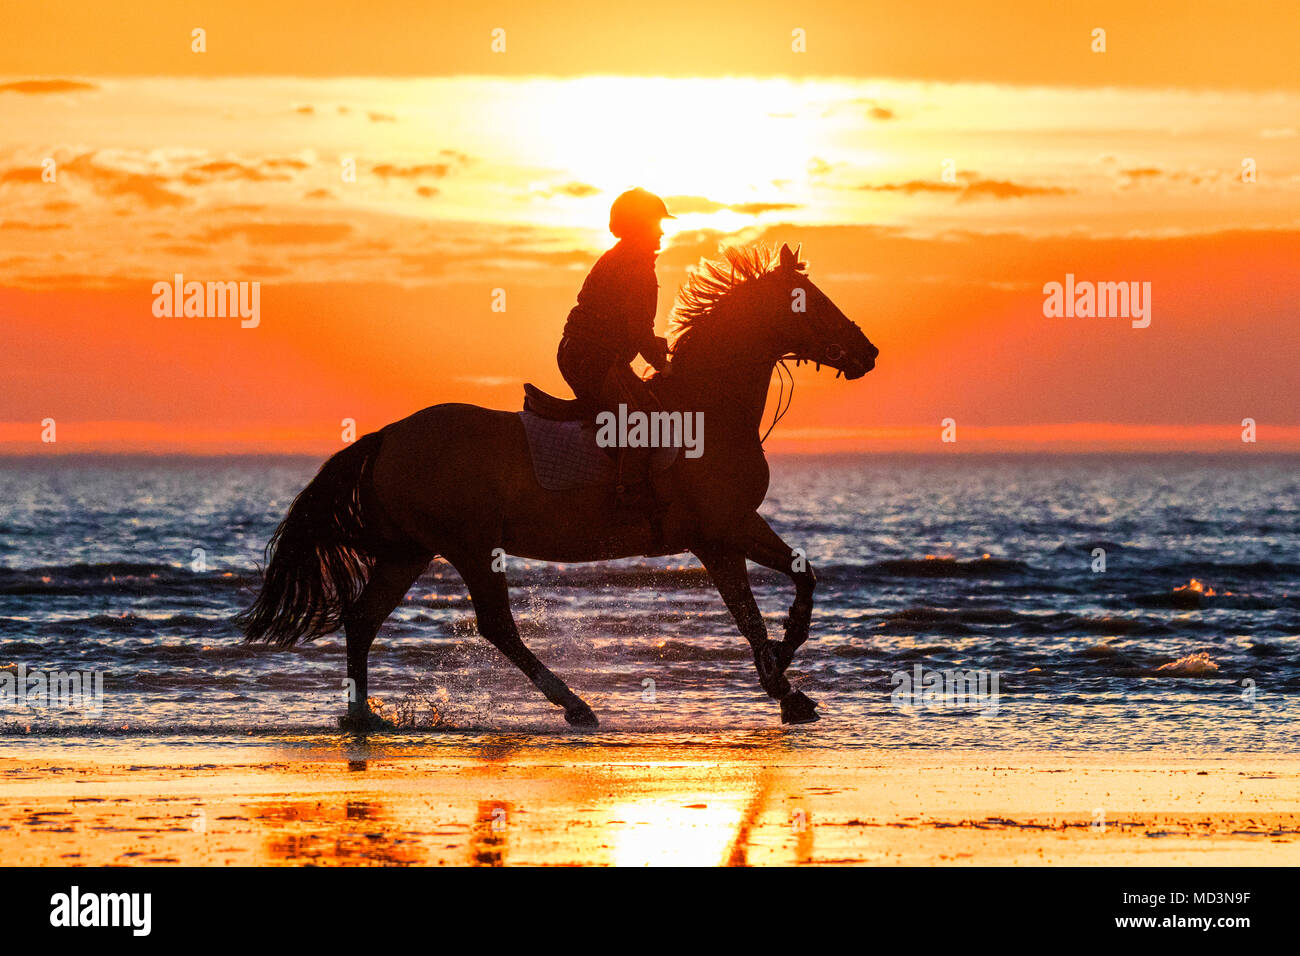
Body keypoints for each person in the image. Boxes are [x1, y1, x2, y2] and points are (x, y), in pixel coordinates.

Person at [557, 188, 674, 512]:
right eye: (656, 224)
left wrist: (661, 352)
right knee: (644, 423)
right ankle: (628, 500)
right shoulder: (636, 267)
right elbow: (638, 331)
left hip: (584, 354)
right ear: (638, 226)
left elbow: (634, 332)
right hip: (593, 359)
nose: (662, 232)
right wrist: (665, 366)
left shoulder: (621, 258)